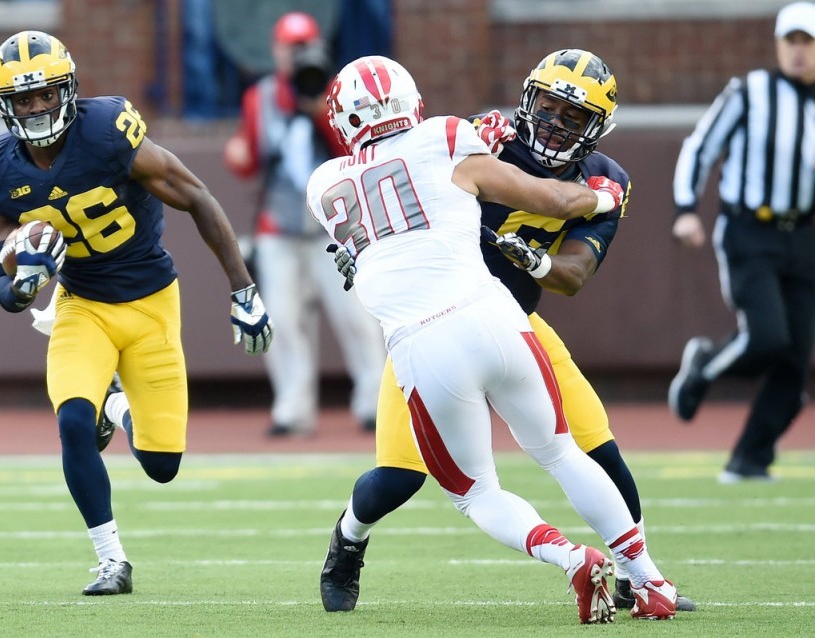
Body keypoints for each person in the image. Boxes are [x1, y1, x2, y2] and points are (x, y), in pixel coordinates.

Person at [318, 49, 696, 616]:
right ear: (527, 99)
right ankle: (349, 540)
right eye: (548, 107)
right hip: (444, 320)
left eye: (573, 117)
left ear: (595, 129)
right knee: (397, 478)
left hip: (512, 315)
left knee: (601, 451)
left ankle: (639, 576)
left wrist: (534, 262)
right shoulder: (481, 138)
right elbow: (399, 182)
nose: (554, 124)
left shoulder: (604, 177)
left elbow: (572, 275)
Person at [0, 31, 273, 596]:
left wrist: (243, 290)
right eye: (23, 99)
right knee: (71, 423)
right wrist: (22, 284)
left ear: (69, 89)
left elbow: (198, 195)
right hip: (81, 304)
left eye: (45, 94)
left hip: (152, 301)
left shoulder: (107, 132)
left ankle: (119, 403)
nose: (36, 108)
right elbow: (3, 285)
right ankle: (111, 560)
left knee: (162, 466)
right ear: (4, 104)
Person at [668, 1, 815, 483]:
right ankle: (704, 365)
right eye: (791, 41)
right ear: (778, 45)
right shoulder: (751, 92)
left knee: (795, 360)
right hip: (751, 231)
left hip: (806, 236)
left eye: (808, 42)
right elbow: (701, 145)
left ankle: (750, 459)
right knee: (767, 336)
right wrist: (686, 208)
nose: (799, 52)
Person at [223, 11, 385, 437]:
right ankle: (293, 408)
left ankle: (376, 401)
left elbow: (355, 154)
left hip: (334, 226)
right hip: (279, 226)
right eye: (288, 47)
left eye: (303, 46)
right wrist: (238, 153)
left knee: (356, 315)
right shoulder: (260, 96)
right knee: (282, 317)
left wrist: (318, 112)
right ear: (276, 50)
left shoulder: (338, 94)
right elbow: (252, 159)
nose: (295, 56)